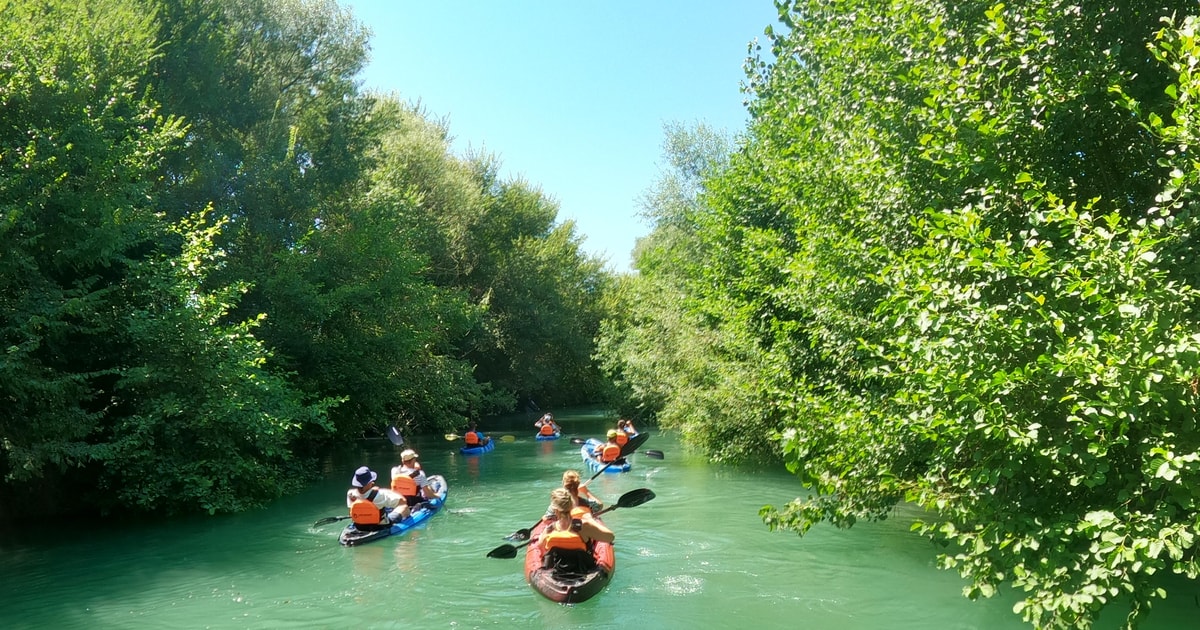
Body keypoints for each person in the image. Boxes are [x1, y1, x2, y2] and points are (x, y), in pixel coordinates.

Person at [537, 487, 615, 573]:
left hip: (556, 573)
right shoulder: (583, 526)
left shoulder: (549, 529)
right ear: (572, 506)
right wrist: (591, 520)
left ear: (555, 510)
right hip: (582, 571)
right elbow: (610, 537)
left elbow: (541, 547)